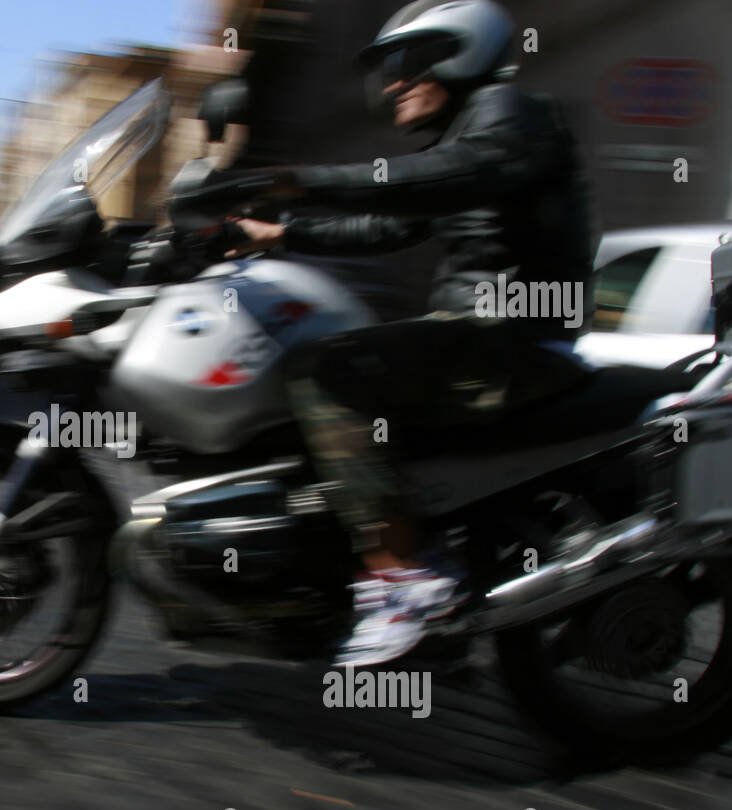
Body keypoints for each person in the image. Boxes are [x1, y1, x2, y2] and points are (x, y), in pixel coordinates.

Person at [218, 0, 597, 666]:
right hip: (480, 340)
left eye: (408, 63)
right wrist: (280, 234)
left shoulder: (512, 114)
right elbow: (390, 226)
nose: (393, 82)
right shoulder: (463, 143)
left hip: (512, 341)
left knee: (325, 371)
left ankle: (400, 581)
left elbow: (439, 180)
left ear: (462, 52)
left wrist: (295, 183)